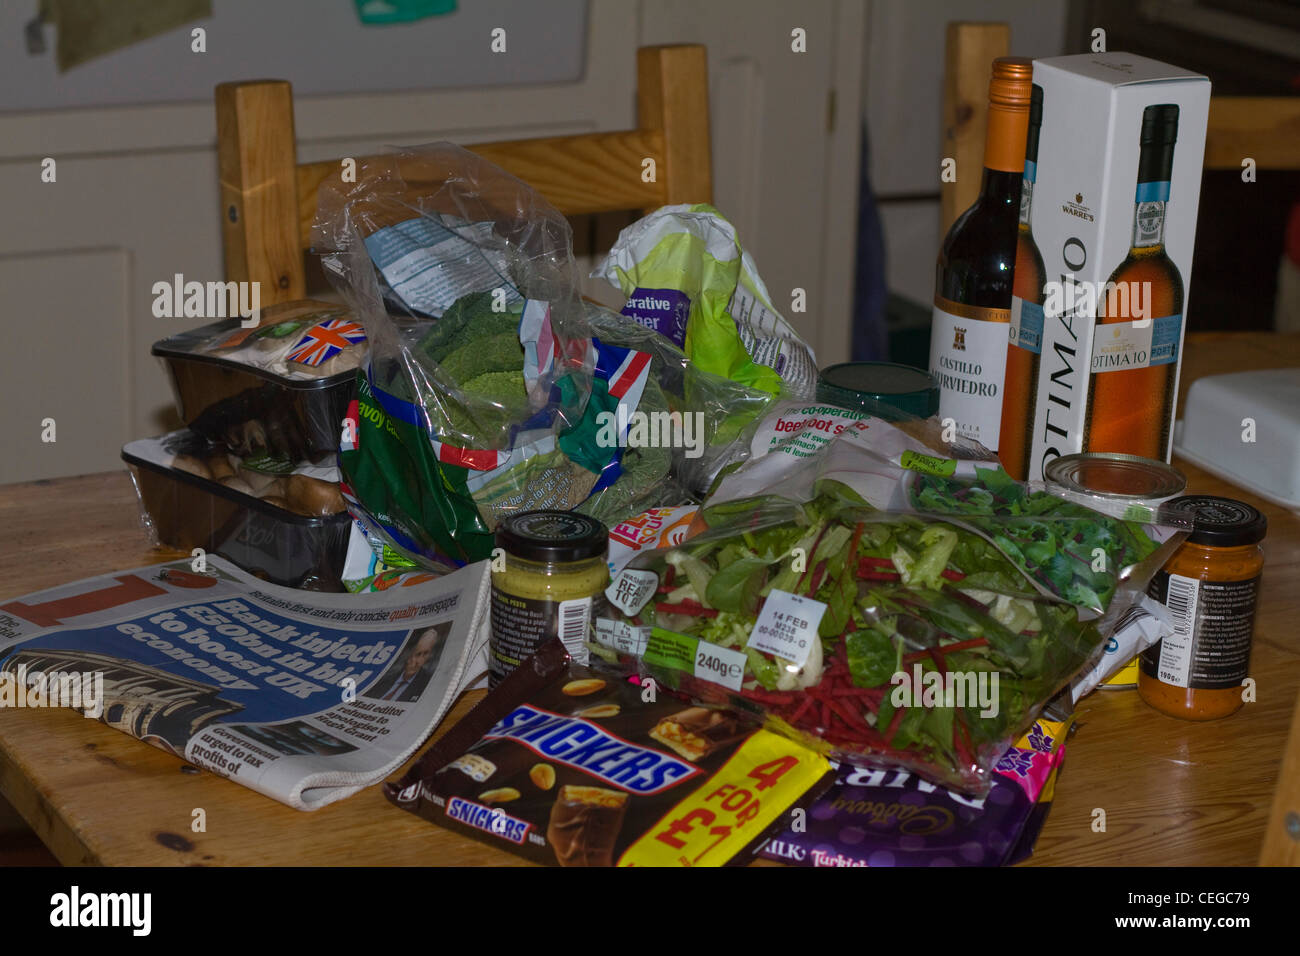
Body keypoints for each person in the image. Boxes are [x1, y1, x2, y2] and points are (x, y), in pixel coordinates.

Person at [366, 626, 444, 702]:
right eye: (415, 653)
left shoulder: (428, 684)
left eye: (424, 654)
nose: (416, 661)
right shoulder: (386, 677)